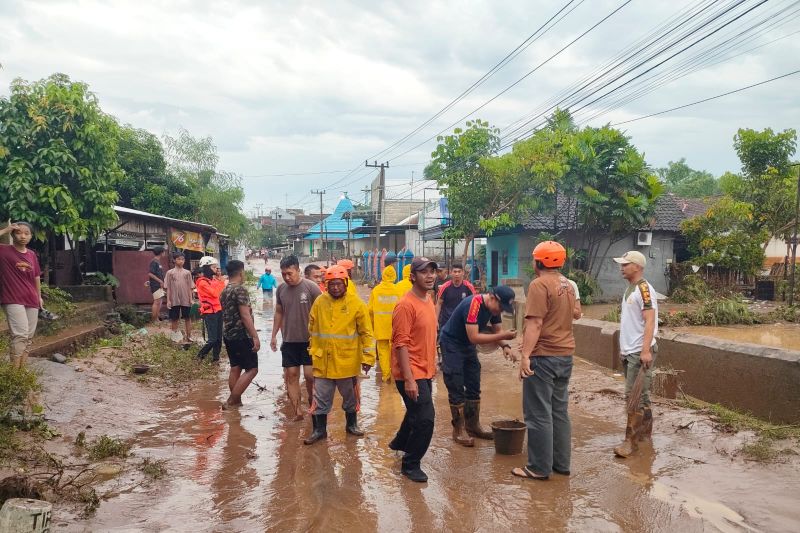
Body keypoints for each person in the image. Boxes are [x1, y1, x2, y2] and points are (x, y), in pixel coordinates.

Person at [513, 241, 576, 481]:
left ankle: (539, 467)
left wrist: (525, 355)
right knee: (559, 411)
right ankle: (561, 464)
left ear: (538, 261)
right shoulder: (568, 285)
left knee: (538, 413)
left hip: (544, 356)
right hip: (565, 355)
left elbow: (535, 323)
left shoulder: (539, 285)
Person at [304, 265, 375, 445]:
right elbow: (311, 327)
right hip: (323, 362)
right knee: (320, 397)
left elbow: (367, 333)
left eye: (338, 284)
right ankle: (319, 430)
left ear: (345, 283)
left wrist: (368, 359)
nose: (335, 287)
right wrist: (313, 349)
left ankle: (351, 425)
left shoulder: (357, 303)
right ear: (326, 285)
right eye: (331, 284)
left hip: (347, 362)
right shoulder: (320, 302)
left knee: (350, 397)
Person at [439, 285, 517, 447]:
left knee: (474, 382)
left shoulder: (494, 310)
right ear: (492, 298)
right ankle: (458, 430)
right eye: (501, 307)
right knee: (456, 384)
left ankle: (473, 426)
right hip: (451, 343)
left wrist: (505, 346)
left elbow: (497, 331)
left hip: (467, 345)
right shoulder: (473, 304)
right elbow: (474, 337)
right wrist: (505, 336)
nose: (500, 311)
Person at [389, 257, 439, 483]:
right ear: (412, 276)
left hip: (424, 369)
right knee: (426, 419)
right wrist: (409, 380)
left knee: (415, 411)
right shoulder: (405, 306)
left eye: (432, 271)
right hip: (410, 372)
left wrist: (433, 363)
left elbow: (428, 336)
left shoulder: (428, 299)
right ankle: (410, 464)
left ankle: (400, 442)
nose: (430, 276)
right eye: (424, 272)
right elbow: (401, 344)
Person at [612, 250, 658, 458]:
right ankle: (644, 435)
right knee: (642, 396)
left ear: (637, 267)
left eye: (625, 264)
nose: (622, 268)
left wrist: (645, 350)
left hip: (640, 351)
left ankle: (630, 442)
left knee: (633, 397)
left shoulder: (644, 290)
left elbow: (650, 320)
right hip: (631, 350)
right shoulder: (630, 289)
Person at [271, 255, 322, 420]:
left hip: (310, 341)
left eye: (290, 273)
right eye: (284, 274)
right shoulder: (281, 290)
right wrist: (273, 336)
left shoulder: (312, 288)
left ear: (298, 270)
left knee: (310, 376)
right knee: (291, 375)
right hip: (289, 341)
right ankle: (297, 412)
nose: (287, 277)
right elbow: (279, 312)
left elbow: (323, 312)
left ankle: (312, 402)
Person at [0, 222, 42, 369]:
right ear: (13, 234)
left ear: (31, 236)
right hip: (12, 298)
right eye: (19, 233)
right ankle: (14, 376)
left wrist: (39, 297)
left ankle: (21, 373)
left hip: (31, 299)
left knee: (29, 338)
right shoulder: (4, 251)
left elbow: (36, 277)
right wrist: (6, 229)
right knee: (20, 335)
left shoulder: (31, 255)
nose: (23, 236)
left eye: (27, 233)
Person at [220, 260, 259, 408]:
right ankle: (231, 401)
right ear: (241, 272)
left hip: (228, 334)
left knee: (235, 367)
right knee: (252, 369)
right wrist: (254, 336)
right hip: (241, 335)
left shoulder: (224, 291)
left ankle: (237, 401)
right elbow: (245, 315)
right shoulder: (240, 290)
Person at [367, 265, 401, 383]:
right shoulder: (398, 290)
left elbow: (370, 310)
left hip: (380, 327)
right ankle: (394, 373)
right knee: (394, 352)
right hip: (395, 328)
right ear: (394, 276)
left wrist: (371, 326)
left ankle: (386, 375)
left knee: (382, 352)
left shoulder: (376, 290)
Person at [196, 256, 226, 362]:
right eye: (213, 267)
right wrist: (222, 282)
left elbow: (221, 290)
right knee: (212, 339)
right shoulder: (202, 282)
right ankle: (200, 356)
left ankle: (216, 359)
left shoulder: (213, 280)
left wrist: (221, 282)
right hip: (209, 313)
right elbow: (215, 293)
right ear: (207, 268)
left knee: (218, 339)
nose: (216, 269)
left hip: (218, 311)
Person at [164, 252, 196, 344]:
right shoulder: (170, 273)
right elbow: (168, 288)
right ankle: (174, 337)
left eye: (182, 259)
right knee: (174, 318)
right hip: (174, 299)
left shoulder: (187, 273)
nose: (181, 261)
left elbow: (190, 287)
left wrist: (191, 299)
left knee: (187, 317)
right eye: (178, 259)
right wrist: (168, 300)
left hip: (186, 298)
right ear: (174, 260)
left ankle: (189, 336)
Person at [436, 262, 476, 330]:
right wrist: (435, 321)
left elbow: (475, 304)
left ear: (463, 272)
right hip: (447, 322)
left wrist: (474, 322)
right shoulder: (444, 287)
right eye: (455, 271)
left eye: (459, 271)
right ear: (451, 273)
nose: (457, 274)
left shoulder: (469, 287)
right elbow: (439, 304)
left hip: (463, 322)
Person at [148, 246, 166, 322]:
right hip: (156, 285)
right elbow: (150, 274)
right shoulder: (154, 262)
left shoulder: (157, 262)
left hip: (159, 285)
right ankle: (154, 319)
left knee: (160, 301)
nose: (164, 253)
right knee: (156, 302)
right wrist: (160, 281)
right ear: (161, 252)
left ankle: (157, 318)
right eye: (164, 252)